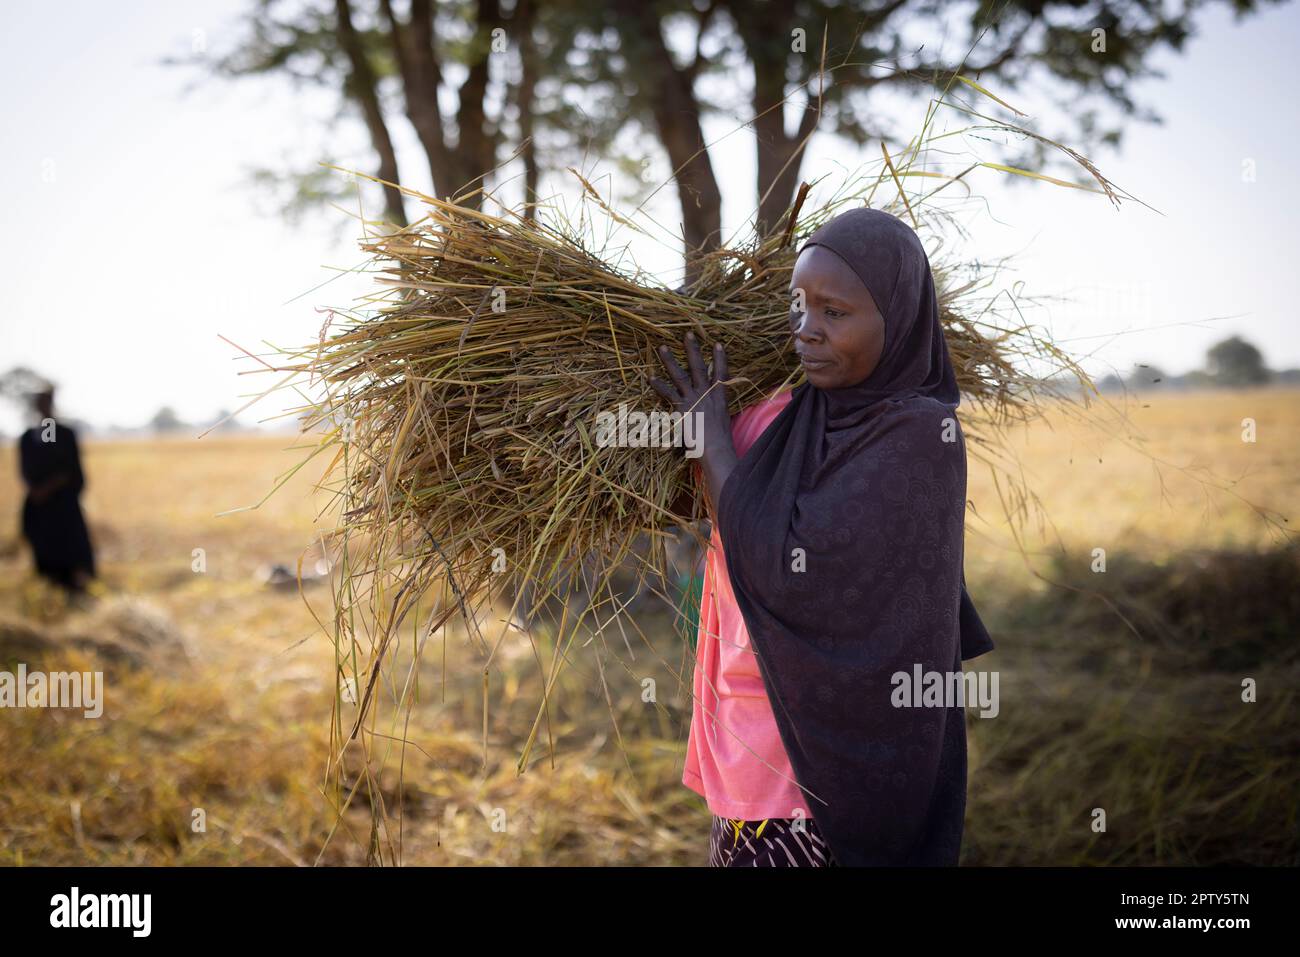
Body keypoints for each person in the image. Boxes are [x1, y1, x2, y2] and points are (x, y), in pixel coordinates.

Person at [651, 206, 995, 866]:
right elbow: (698, 510)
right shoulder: (786, 412)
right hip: (745, 748)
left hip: (827, 777)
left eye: (834, 313)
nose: (807, 330)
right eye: (799, 305)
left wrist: (712, 438)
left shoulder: (921, 436)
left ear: (896, 321)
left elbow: (787, 569)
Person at [18, 387, 96, 594]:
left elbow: (74, 473)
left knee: (72, 558)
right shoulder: (28, 438)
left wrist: (51, 487)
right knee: (46, 560)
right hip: (40, 510)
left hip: (64, 509)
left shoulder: (64, 435)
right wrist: (37, 491)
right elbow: (25, 471)